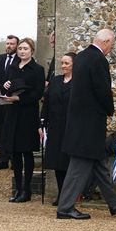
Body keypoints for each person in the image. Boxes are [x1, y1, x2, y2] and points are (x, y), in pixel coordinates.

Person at [55, 28, 116, 220]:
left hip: (80, 121)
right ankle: (65, 207)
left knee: (99, 163)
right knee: (79, 166)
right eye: (111, 44)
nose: (111, 48)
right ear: (106, 42)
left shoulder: (82, 57)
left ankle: (115, 202)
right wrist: (109, 110)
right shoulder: (98, 60)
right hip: (90, 122)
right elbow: (103, 90)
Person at [0, 37, 45, 203]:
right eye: (20, 49)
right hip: (12, 113)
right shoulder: (12, 68)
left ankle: (27, 190)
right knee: (15, 152)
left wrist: (20, 100)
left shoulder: (38, 70)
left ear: (32, 50)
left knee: (27, 152)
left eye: (25, 49)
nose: (22, 51)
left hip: (27, 113)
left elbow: (38, 93)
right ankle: (17, 188)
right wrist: (4, 87)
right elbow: (4, 85)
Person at [40, 51, 75, 206]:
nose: (63, 66)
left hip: (71, 128)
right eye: (62, 63)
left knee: (68, 163)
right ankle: (61, 194)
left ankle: (68, 196)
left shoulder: (79, 83)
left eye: (67, 63)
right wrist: (42, 123)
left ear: (74, 65)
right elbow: (46, 103)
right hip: (55, 127)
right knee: (57, 163)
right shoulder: (55, 80)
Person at [0, 34, 18, 170]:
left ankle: (14, 159)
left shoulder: (20, 60)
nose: (9, 46)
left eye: (12, 44)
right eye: (7, 43)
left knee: (12, 131)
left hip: (13, 102)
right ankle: (2, 159)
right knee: (0, 131)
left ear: (16, 45)